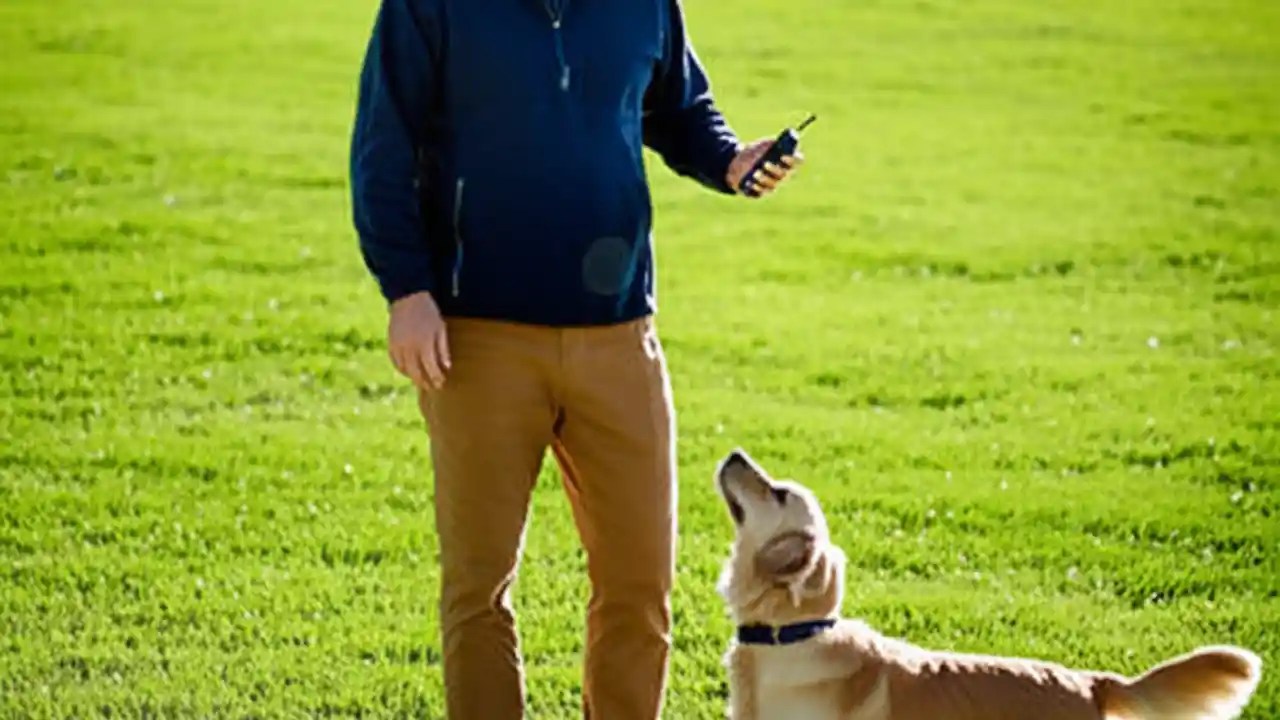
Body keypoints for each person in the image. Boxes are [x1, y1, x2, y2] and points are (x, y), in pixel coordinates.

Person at [348, 0, 802, 717]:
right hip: (478, 335)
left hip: (619, 337)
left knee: (640, 583)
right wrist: (406, 288)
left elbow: (679, 107)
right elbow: (384, 142)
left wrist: (729, 159)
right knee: (478, 588)